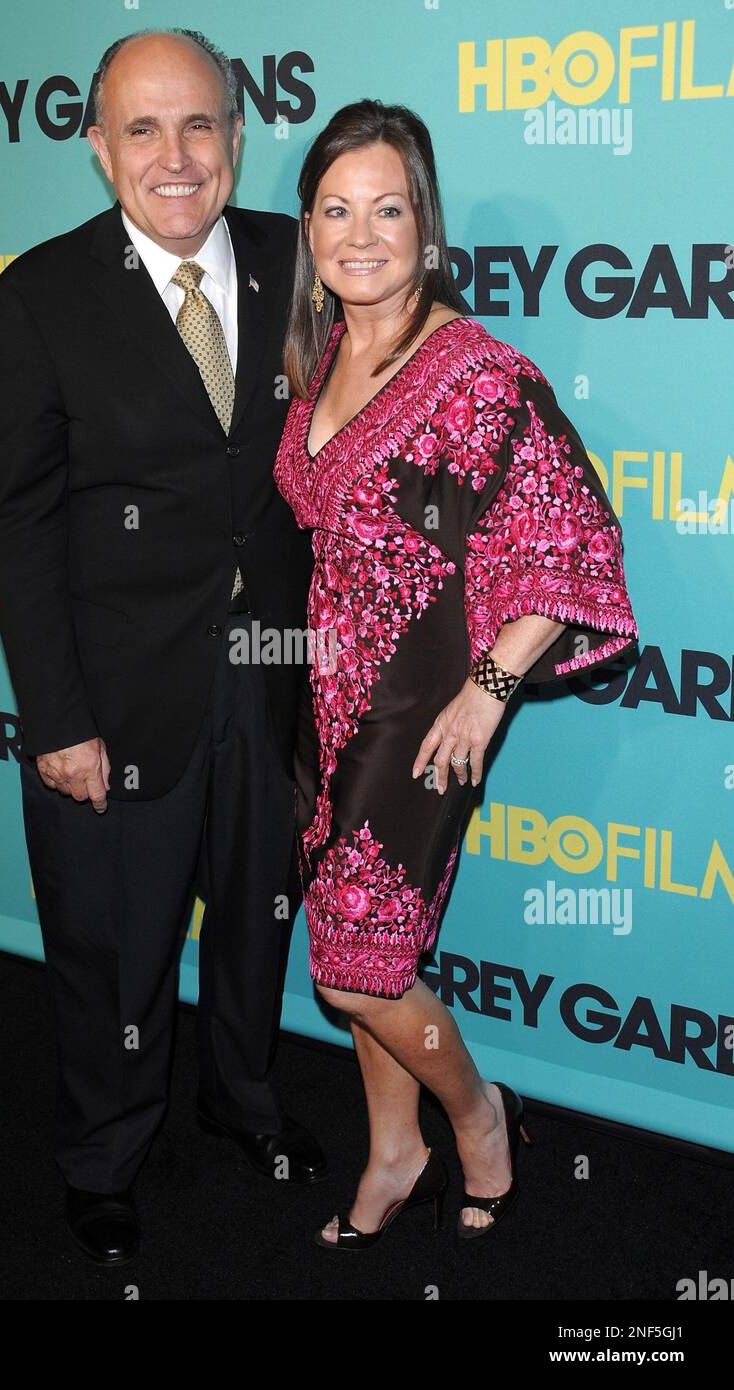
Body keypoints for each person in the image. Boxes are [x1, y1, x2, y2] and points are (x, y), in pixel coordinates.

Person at [0, 28, 326, 1267]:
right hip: (114, 697)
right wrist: (56, 717)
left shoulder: (301, 264)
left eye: (199, 127)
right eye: (142, 129)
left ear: (237, 137)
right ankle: (104, 1153)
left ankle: (242, 1099)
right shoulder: (38, 295)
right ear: (96, 146)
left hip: (271, 680)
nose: (175, 157)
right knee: (110, 945)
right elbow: (15, 528)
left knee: (254, 918)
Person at [273, 100, 639, 1246]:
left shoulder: (475, 367)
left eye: (388, 208)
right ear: (308, 228)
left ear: (424, 228)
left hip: (417, 717)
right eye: (336, 208)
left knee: (353, 974)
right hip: (321, 708)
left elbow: (569, 532)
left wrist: (486, 688)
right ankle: (394, 1148)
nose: (360, 232)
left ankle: (477, 1115)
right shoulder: (323, 349)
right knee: (360, 952)